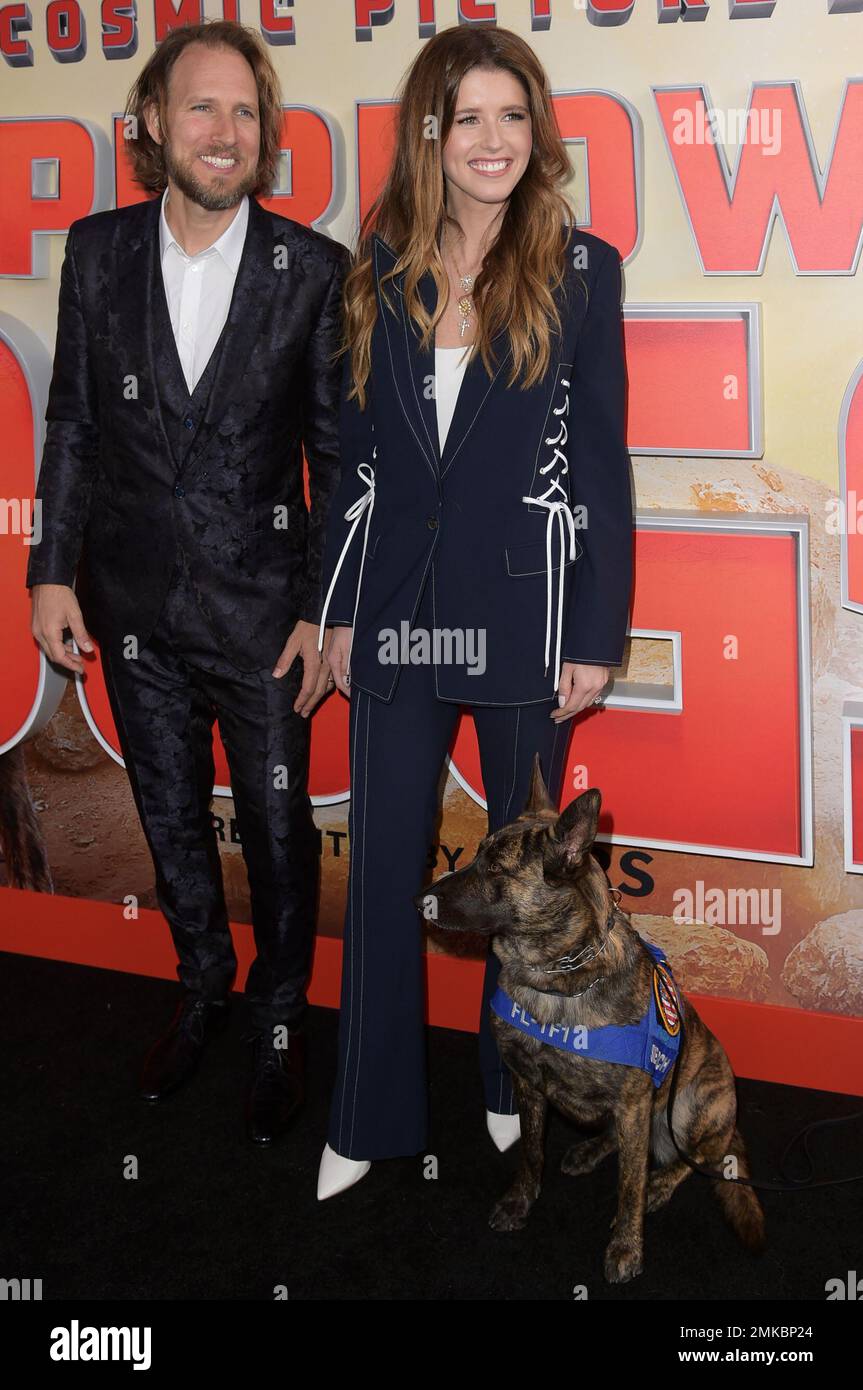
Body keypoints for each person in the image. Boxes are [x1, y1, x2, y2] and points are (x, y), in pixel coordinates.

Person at [315, 25, 634, 1198]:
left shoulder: (582, 267)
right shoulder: (380, 261)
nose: (491, 141)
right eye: (468, 119)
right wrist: (340, 607)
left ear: (534, 131)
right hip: (397, 615)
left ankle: (513, 1094)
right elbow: (354, 462)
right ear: (429, 134)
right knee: (392, 870)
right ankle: (364, 1116)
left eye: (512, 116)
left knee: (522, 886)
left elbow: (598, 465)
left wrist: (593, 632)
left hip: (522, 619)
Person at [26, 20, 347, 1145]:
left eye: (245, 113)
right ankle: (202, 985)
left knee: (272, 822)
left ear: (267, 136)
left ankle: (276, 1020)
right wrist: (48, 574)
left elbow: (338, 461)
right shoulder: (98, 248)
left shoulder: (311, 272)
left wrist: (325, 608)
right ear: (153, 125)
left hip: (263, 619)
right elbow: (71, 418)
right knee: (168, 815)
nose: (224, 132)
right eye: (200, 108)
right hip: (130, 606)